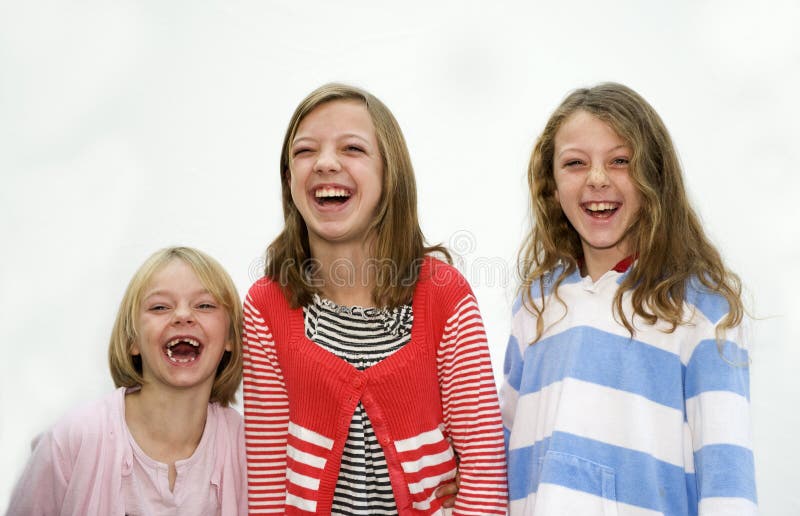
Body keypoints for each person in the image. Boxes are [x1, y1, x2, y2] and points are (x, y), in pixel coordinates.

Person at [242, 83, 508, 515]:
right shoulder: (265, 306)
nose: (326, 163)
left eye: (352, 148)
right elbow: (269, 481)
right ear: (288, 179)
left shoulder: (445, 296)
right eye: (305, 151)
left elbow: (483, 471)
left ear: (390, 174)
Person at [501, 82, 757, 515]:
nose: (597, 178)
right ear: (551, 185)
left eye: (620, 161)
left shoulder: (699, 311)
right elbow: (501, 439)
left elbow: (726, 478)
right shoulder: (535, 305)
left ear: (654, 176)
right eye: (575, 163)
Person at [6, 247, 247, 515]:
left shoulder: (250, 451)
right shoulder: (70, 440)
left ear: (230, 338)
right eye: (159, 307)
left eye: (204, 305)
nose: (182, 315)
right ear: (132, 340)